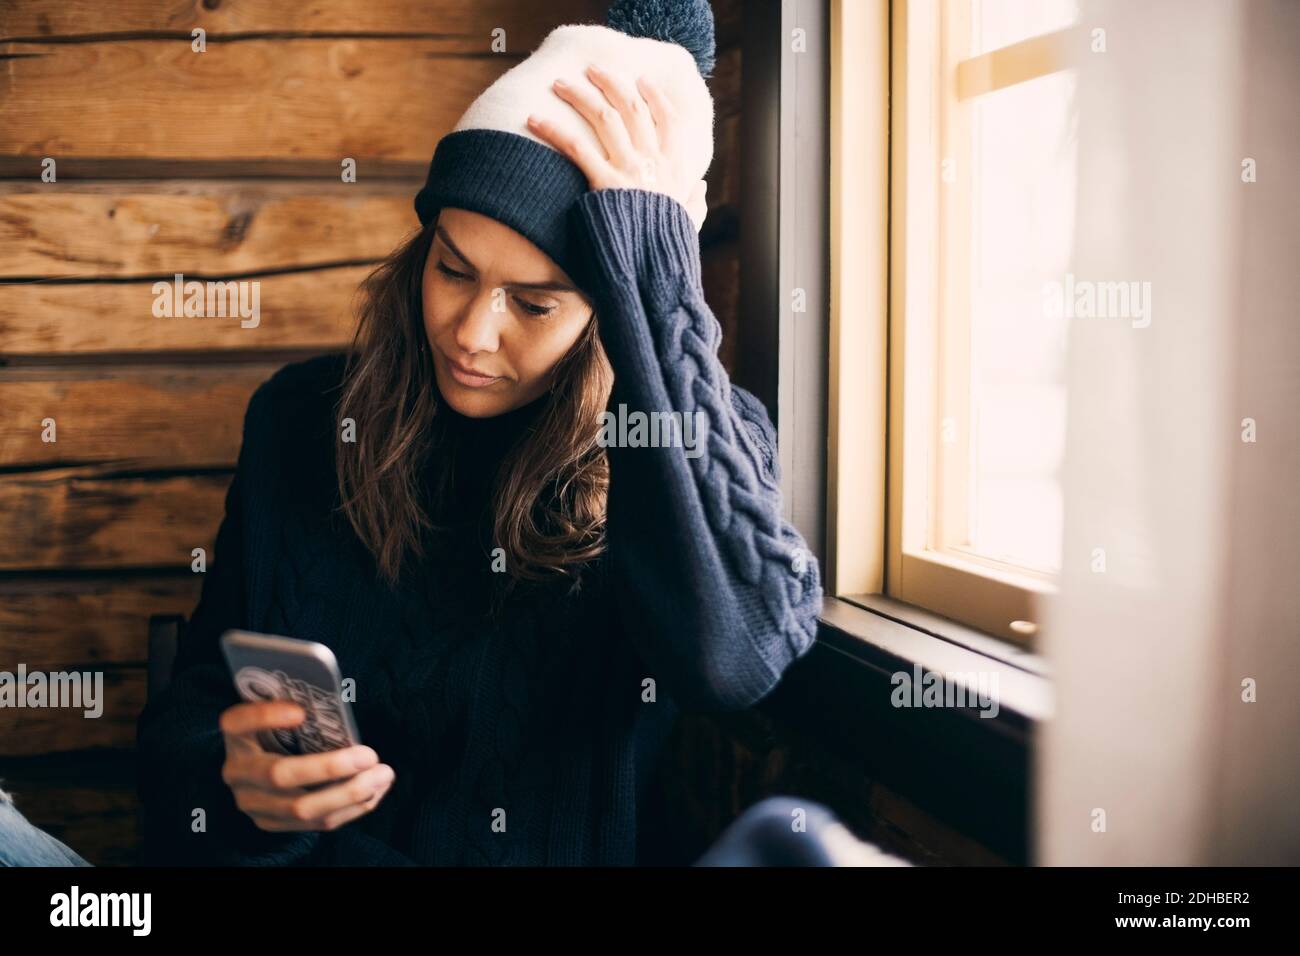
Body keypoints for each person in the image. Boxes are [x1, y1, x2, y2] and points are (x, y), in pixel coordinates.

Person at [3, 0, 823, 867]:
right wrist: (233, 775)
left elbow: (735, 659)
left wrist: (656, 275)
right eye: (452, 269)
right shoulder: (302, 419)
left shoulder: (678, 452)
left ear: (610, 319)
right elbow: (196, 707)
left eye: (535, 303)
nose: (471, 332)